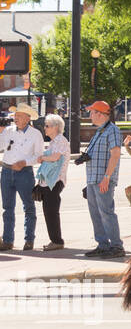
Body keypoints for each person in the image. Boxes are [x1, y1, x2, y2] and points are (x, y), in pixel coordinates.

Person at [83, 100, 125, 258]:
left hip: (103, 179)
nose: (90, 115)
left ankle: (116, 246)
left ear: (100, 114)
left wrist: (107, 177)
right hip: (93, 179)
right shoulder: (100, 131)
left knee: (106, 212)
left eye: (92, 112)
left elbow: (115, 154)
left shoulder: (112, 130)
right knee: (95, 213)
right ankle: (103, 244)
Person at [0, 103, 44, 251]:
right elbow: (1, 146)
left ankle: (29, 240)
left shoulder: (35, 134)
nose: (15, 118)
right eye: (15, 116)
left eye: (18, 116)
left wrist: (25, 162)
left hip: (24, 173)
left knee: (29, 208)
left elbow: (39, 156)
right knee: (7, 208)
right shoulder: (8, 131)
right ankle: (7, 241)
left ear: (27, 118)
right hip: (6, 171)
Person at [35, 114, 70, 251]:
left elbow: (55, 157)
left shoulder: (61, 140)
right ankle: (54, 240)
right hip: (48, 182)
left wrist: (43, 157)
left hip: (55, 181)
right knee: (48, 211)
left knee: (51, 211)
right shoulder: (53, 142)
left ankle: (57, 241)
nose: (45, 128)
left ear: (56, 127)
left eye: (47, 126)